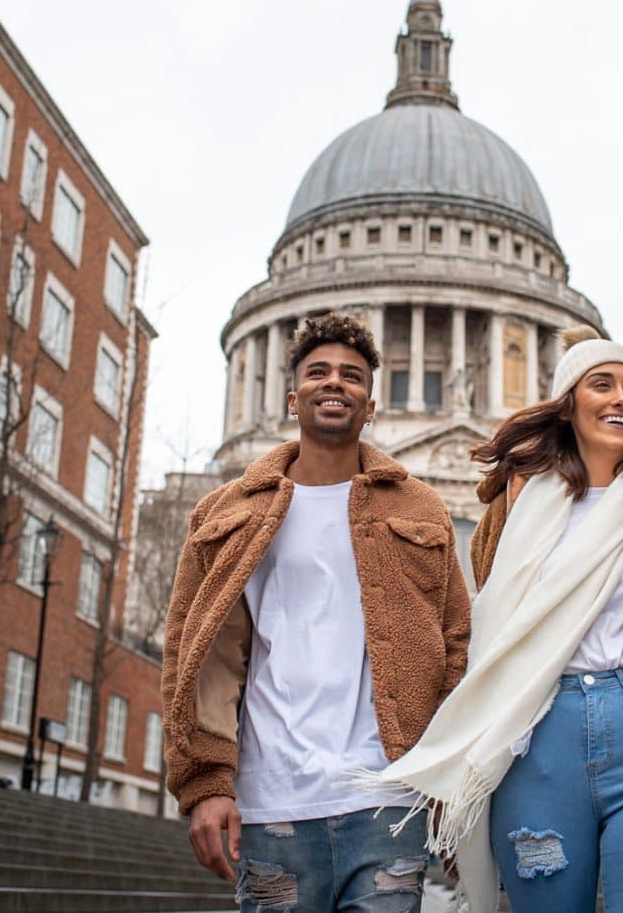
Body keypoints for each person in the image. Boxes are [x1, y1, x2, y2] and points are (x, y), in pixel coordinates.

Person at [357, 327, 623, 913]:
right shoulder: (515, 503)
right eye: (601, 384)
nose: (621, 398)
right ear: (568, 403)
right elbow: (490, 635)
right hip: (539, 738)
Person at [161, 312, 471, 913]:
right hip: (271, 799)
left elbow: (455, 642)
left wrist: (453, 783)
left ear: (372, 402)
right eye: (319, 372)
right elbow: (193, 653)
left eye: (351, 375)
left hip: (388, 797)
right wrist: (204, 782)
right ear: (291, 395)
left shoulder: (421, 506)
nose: (335, 384)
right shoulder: (225, 514)